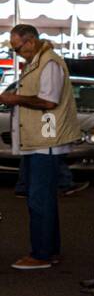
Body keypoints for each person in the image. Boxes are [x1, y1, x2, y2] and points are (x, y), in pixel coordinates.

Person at [0, 25, 81, 269]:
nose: (17, 53)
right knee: (43, 199)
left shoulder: (49, 63)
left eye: (17, 48)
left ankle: (41, 254)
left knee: (39, 200)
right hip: (39, 141)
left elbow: (48, 100)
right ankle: (48, 250)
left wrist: (14, 98)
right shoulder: (40, 61)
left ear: (31, 41)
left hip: (45, 142)